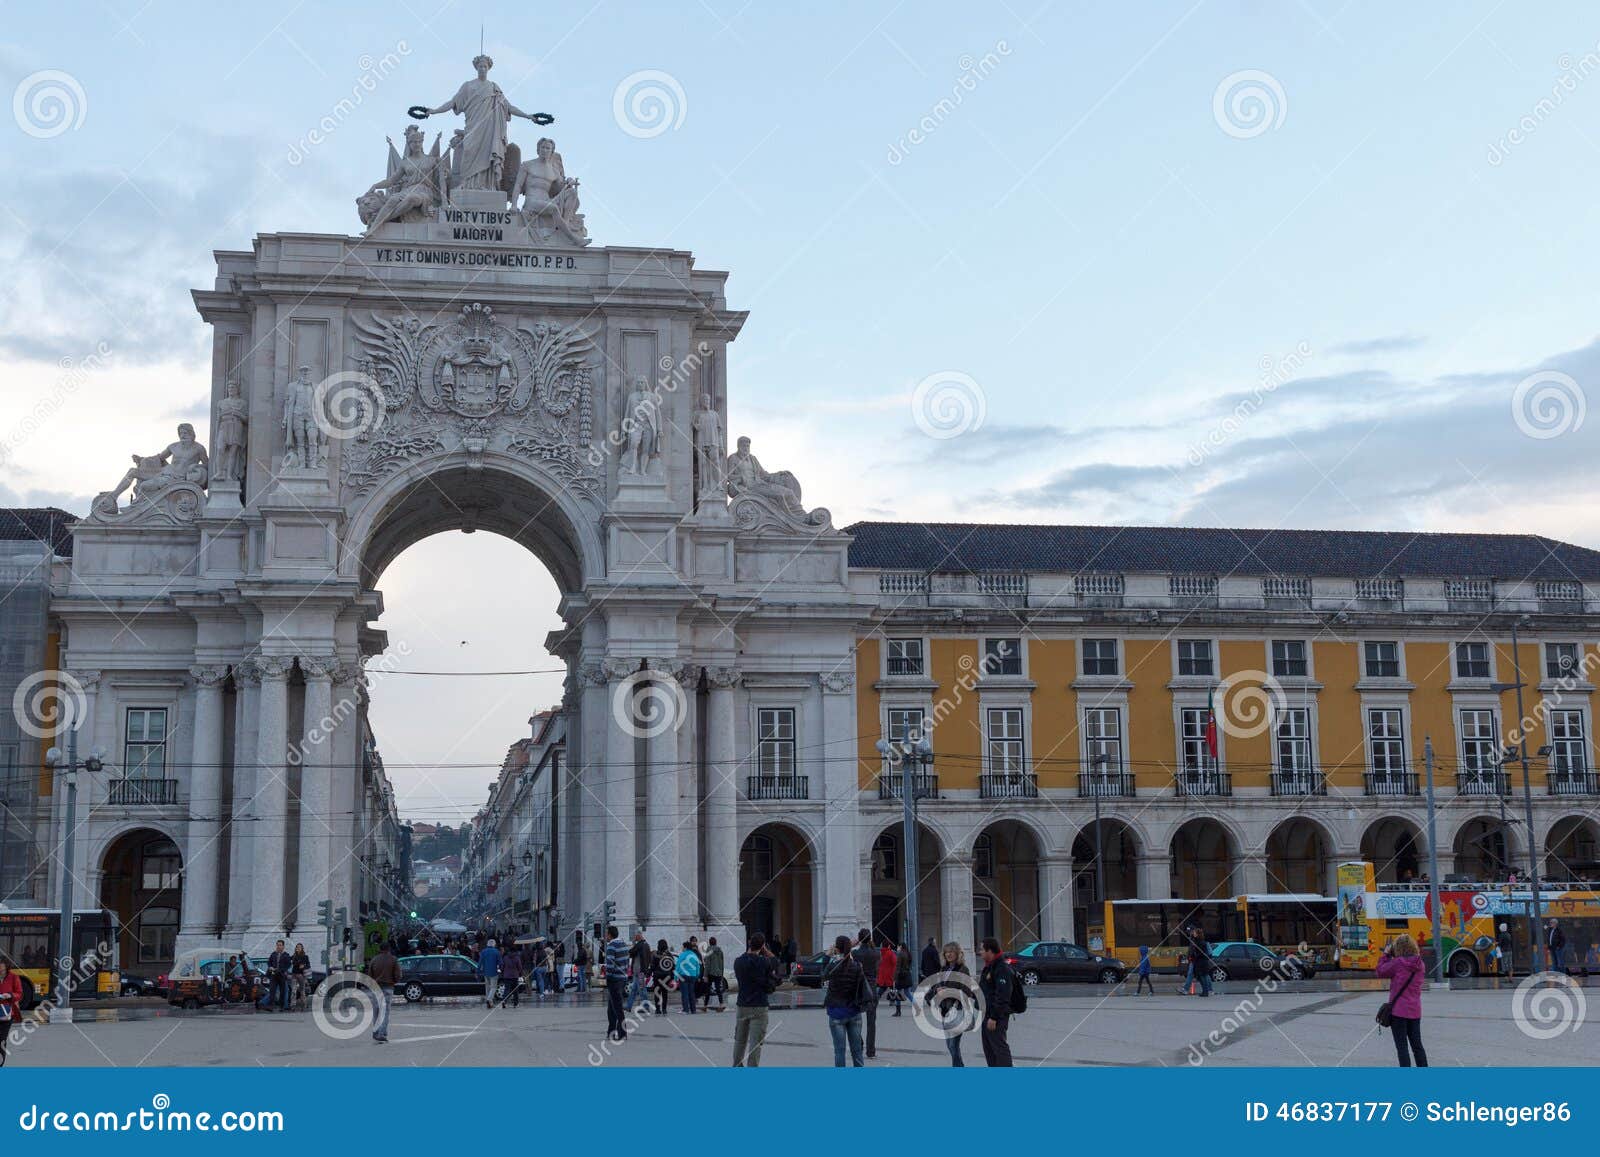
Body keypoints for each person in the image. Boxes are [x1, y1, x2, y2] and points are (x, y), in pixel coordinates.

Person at [1375, 934, 1427, 1067]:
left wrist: (1386, 954)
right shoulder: (1420, 964)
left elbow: (1380, 971)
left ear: (1397, 948)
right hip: (1415, 1012)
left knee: (1402, 1048)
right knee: (1417, 1046)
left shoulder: (1397, 963)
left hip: (1398, 1012)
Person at [732, 933, 780, 1066]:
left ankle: (737, 1065)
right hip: (759, 1005)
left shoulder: (738, 962)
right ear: (763, 946)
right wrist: (766, 951)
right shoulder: (763, 962)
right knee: (755, 1043)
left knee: (739, 1040)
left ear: (749, 943)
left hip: (742, 1004)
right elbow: (775, 961)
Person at [823, 934, 869, 1067]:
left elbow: (823, 975)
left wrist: (827, 956)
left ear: (837, 949)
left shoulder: (833, 967)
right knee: (857, 1050)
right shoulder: (856, 966)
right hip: (854, 1011)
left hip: (836, 1012)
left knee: (839, 1051)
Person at [929, 941, 972, 1067]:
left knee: (953, 1045)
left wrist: (948, 991)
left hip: (957, 1010)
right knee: (949, 1045)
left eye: (951, 952)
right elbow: (936, 985)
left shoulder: (963, 969)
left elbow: (967, 991)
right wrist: (937, 989)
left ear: (957, 953)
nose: (948, 954)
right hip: (945, 1011)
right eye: (946, 952)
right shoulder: (944, 969)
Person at [977, 937, 1015, 1067]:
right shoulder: (990, 966)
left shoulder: (1001, 968)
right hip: (986, 1013)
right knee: (989, 1049)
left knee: (999, 1048)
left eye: (982, 949)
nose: (980, 952)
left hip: (995, 1016)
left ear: (990, 951)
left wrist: (994, 1017)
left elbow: (1003, 995)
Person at [851, 928, 882, 1058]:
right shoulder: (876, 953)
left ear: (859, 939)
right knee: (871, 1022)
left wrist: (854, 944)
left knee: (854, 1020)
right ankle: (871, 1050)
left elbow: (847, 953)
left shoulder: (856, 953)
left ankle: (860, 1043)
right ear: (870, 938)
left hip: (859, 988)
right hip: (872, 989)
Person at [367, 942, 400, 1044]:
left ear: (380, 949)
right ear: (388, 949)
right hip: (388, 988)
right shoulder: (393, 959)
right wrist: (394, 981)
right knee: (385, 1012)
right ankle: (381, 1034)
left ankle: (376, 1031)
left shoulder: (374, 959)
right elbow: (398, 975)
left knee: (376, 1011)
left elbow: (369, 975)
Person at [603, 925, 629, 1041]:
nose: (605, 936)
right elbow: (627, 962)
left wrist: (607, 977)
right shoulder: (624, 944)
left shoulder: (611, 946)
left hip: (614, 980)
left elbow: (610, 965)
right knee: (611, 1008)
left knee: (617, 1009)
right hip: (622, 978)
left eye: (606, 933)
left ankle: (622, 1033)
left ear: (610, 934)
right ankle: (611, 1032)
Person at [0, 958, 21, 1066]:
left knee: (2, 1039)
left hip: (7, 1013)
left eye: (2, 970)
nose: (0, 972)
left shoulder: (14, 977)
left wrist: (10, 995)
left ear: (7, 968)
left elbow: (19, 994)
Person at [627, 931, 652, 1012]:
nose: (634, 938)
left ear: (639, 936)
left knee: (642, 990)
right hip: (640, 971)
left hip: (639, 971)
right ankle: (628, 1006)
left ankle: (646, 1007)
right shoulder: (646, 945)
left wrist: (634, 943)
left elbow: (630, 952)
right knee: (634, 990)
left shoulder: (640, 945)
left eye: (635, 936)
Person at [675, 940, 702, 1014]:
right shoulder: (694, 955)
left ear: (685, 947)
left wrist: (675, 977)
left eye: (682, 947)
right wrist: (697, 975)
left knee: (685, 993)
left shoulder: (682, 955)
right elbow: (698, 966)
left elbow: (678, 966)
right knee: (691, 993)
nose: (682, 948)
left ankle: (685, 1010)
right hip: (693, 976)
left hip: (683, 976)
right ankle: (693, 1010)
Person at [701, 937, 727, 1011]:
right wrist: (721, 974)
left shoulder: (709, 950)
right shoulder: (720, 951)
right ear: (716, 942)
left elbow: (707, 964)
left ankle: (705, 1006)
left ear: (709, 943)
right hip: (718, 973)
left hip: (711, 973)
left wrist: (705, 975)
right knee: (718, 989)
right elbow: (722, 963)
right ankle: (721, 1004)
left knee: (708, 990)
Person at [877, 934, 900, 1015]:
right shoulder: (890, 953)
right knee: (892, 988)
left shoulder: (880, 953)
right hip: (890, 974)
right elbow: (895, 962)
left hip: (882, 974)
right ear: (889, 945)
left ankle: (876, 999)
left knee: (882, 988)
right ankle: (892, 1001)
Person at [266, 939, 292, 1012]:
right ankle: (271, 1006)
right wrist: (270, 967)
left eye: (280, 945)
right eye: (277, 945)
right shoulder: (273, 954)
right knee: (272, 991)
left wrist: (281, 970)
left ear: (283, 946)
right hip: (274, 975)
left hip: (282, 975)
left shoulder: (286, 955)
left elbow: (288, 965)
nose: (278, 946)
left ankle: (281, 1006)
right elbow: (269, 962)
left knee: (282, 991)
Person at [651, 939, 675, 1015]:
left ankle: (658, 1009)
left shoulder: (655, 954)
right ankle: (664, 1009)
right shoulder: (669, 955)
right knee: (665, 993)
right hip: (666, 976)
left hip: (657, 976)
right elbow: (673, 966)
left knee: (657, 992)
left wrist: (650, 973)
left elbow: (652, 966)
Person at [478, 938, 502, 1009]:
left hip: (485, 972)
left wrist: (478, 971)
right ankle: (489, 999)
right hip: (494, 972)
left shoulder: (483, 951)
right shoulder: (496, 952)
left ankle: (490, 1003)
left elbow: (480, 962)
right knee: (493, 987)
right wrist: (500, 969)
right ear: (494, 944)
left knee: (487, 987)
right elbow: (500, 963)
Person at [500, 939, 524, 1007]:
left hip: (507, 976)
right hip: (515, 976)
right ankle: (516, 1003)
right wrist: (520, 973)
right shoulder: (517, 958)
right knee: (515, 990)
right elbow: (520, 967)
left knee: (507, 989)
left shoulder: (505, 957)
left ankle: (504, 1001)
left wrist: (502, 972)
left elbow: (502, 966)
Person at [290, 942, 311, 1010]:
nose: (298, 948)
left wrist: (304, 966)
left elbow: (308, 965)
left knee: (302, 991)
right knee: (293, 991)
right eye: (297, 947)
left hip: (301, 975)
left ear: (302, 948)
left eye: (299, 947)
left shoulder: (305, 957)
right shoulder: (293, 956)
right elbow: (289, 961)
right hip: (294, 975)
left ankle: (304, 1005)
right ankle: (293, 1005)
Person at [895, 942, 914, 1009]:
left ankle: (898, 1010)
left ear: (900, 946)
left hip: (901, 976)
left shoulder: (900, 954)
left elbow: (898, 966)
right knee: (907, 992)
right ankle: (916, 1005)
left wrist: (895, 977)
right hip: (907, 975)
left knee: (898, 992)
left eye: (898, 947)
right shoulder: (908, 953)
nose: (897, 948)